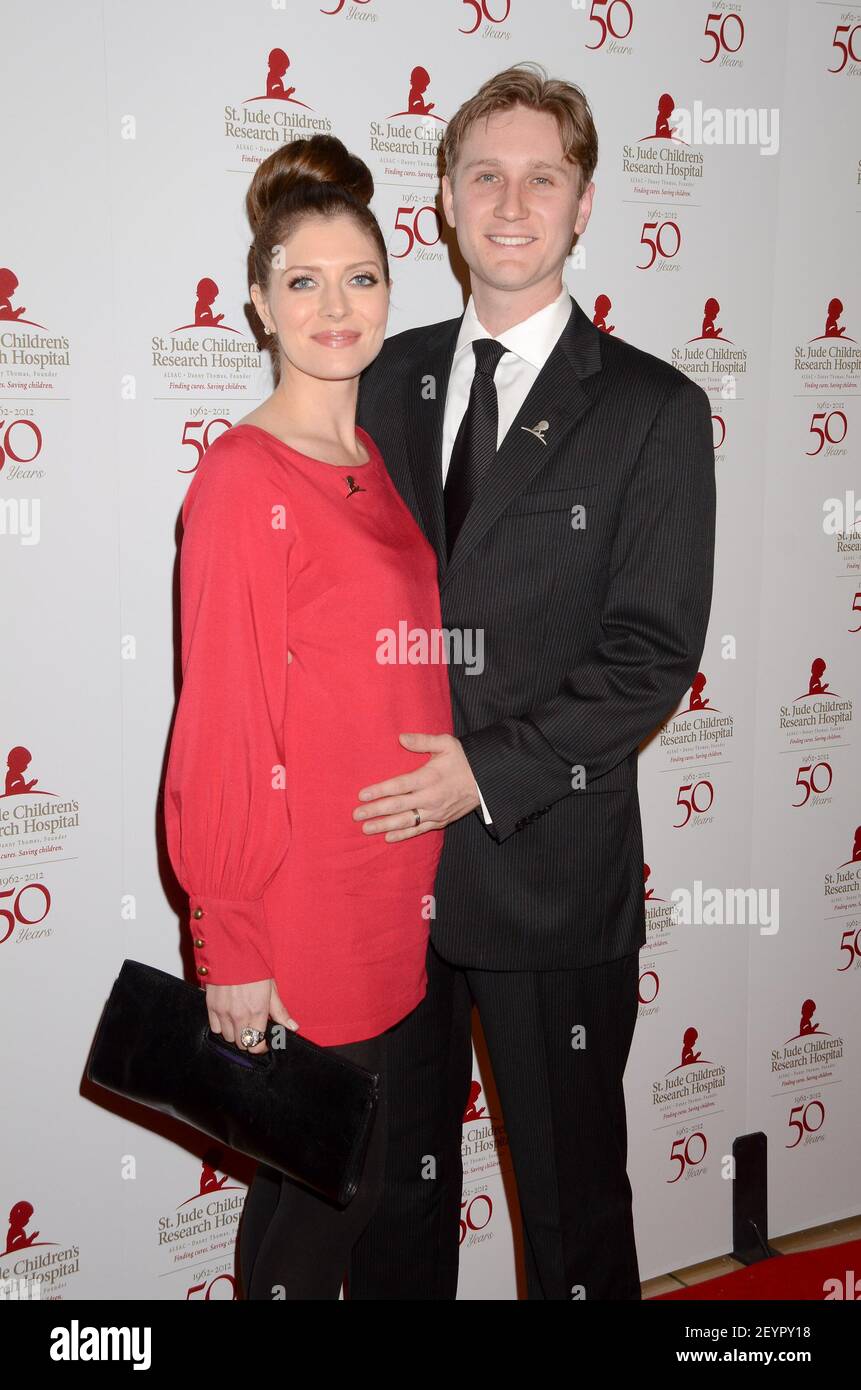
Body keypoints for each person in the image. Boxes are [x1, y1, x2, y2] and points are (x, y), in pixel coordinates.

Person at [346, 63, 717, 1300]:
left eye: (541, 177)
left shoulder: (654, 408)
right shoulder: (378, 377)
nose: (514, 201)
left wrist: (483, 772)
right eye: (486, 176)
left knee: (568, 1208)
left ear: (585, 203)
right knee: (392, 1196)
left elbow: (650, 653)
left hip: (550, 868)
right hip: (387, 869)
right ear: (444, 201)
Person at [162, 133, 454, 1299]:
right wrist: (229, 936)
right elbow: (223, 715)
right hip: (303, 912)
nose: (336, 305)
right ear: (259, 306)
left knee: (354, 1189)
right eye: (304, 280)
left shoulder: (374, 457)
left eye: (362, 278)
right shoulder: (243, 476)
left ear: (390, 291)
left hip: (393, 899)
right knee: (320, 1205)